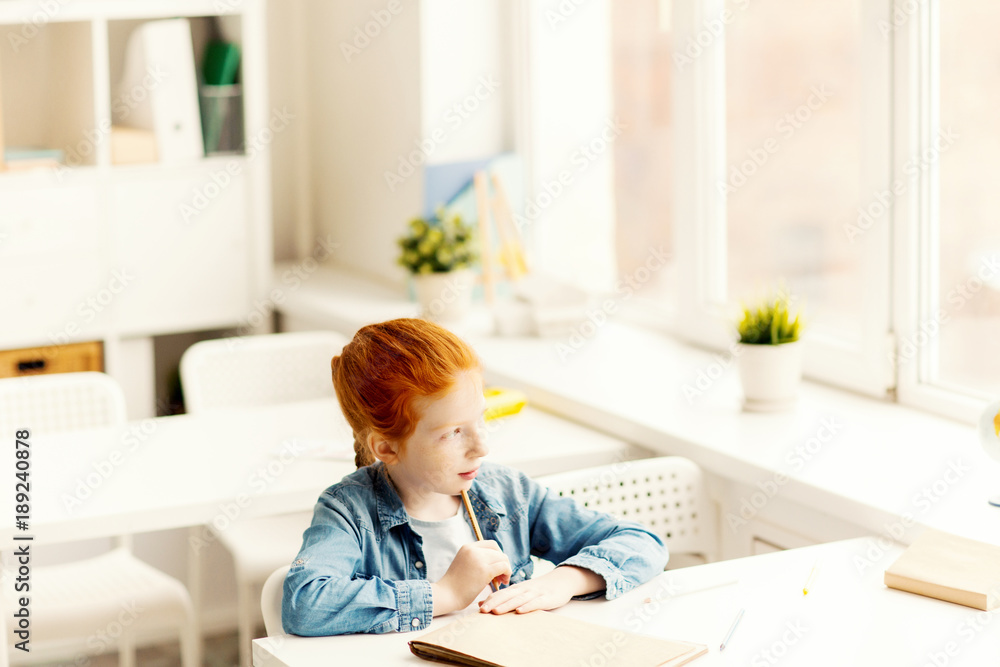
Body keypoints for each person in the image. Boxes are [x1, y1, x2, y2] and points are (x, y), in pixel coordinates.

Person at [282, 317, 668, 636]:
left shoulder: (507, 493)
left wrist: (563, 582)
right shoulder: (350, 510)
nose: (481, 447)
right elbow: (304, 604)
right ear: (386, 448)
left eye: (481, 418)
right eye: (452, 432)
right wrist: (444, 593)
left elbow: (641, 542)